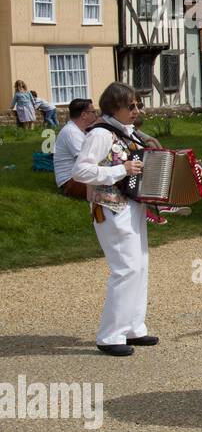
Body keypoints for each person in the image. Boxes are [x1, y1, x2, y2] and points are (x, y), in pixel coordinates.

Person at [72, 82, 158, 357]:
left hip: (131, 205)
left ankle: (133, 326)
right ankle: (110, 335)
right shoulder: (99, 134)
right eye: (130, 106)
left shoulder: (124, 132)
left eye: (137, 105)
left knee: (140, 265)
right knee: (126, 268)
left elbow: (132, 139)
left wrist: (146, 140)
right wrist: (121, 170)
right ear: (114, 108)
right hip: (109, 208)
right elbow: (81, 171)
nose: (136, 110)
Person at [53, 98, 98, 197]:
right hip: (70, 182)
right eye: (93, 112)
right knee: (113, 182)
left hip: (78, 177)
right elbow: (86, 161)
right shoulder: (72, 132)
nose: (96, 115)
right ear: (84, 115)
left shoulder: (78, 130)